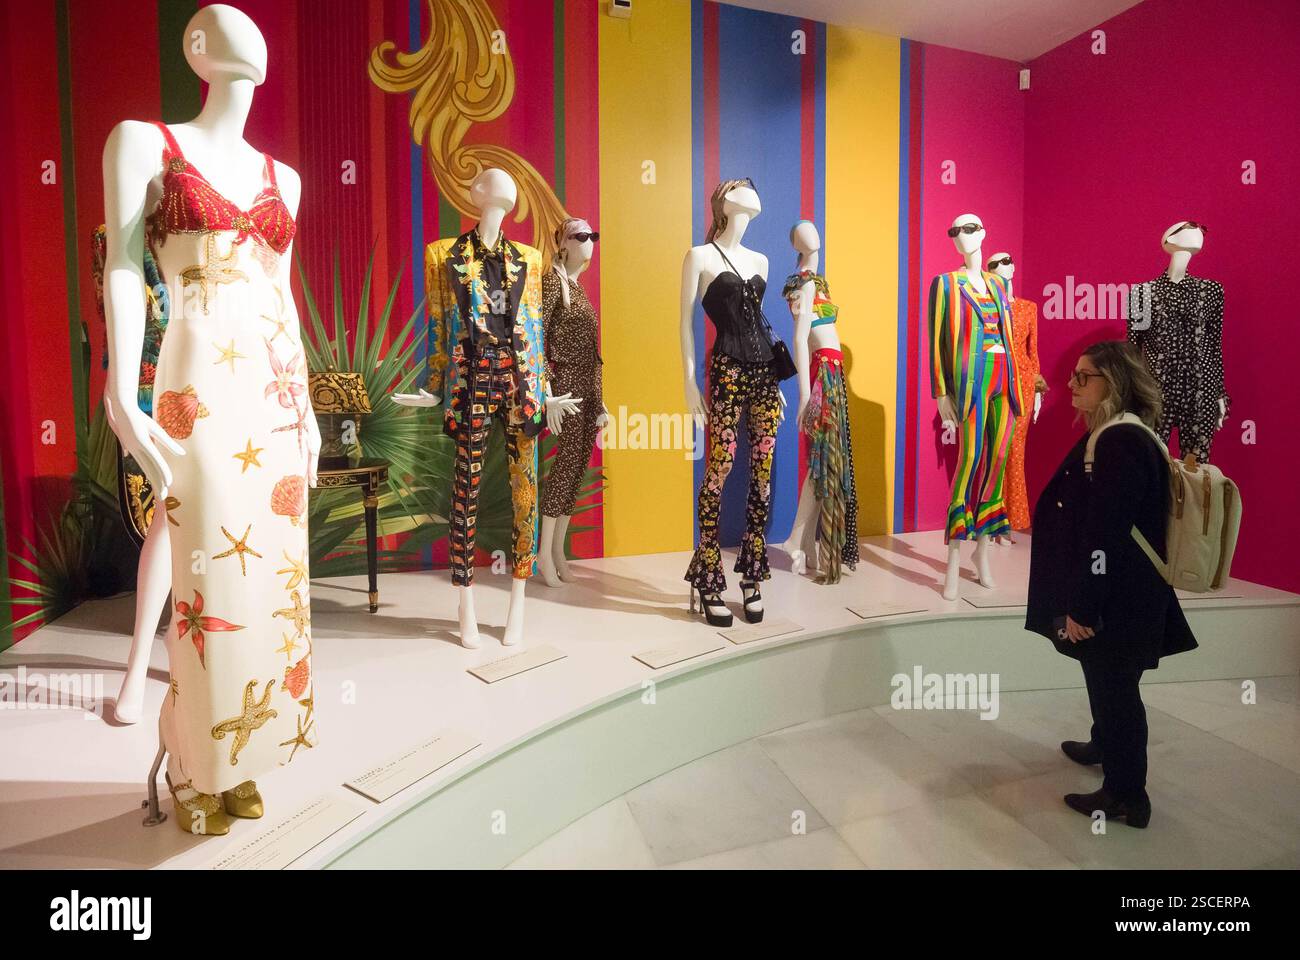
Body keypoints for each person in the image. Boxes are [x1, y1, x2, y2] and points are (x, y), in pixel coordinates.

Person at [1025, 340, 1197, 829]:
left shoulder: (1120, 441)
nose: (1072, 385)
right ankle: (1105, 744)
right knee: (1107, 678)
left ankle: (1126, 796)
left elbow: (1106, 535)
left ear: (1114, 383)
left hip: (1118, 597)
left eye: (1085, 377)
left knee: (1116, 687)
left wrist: (1083, 606)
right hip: (1126, 591)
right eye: (1074, 375)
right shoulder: (1122, 433)